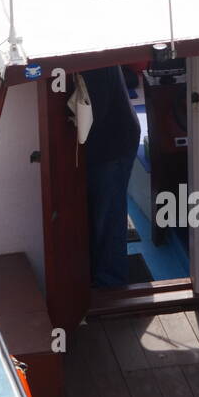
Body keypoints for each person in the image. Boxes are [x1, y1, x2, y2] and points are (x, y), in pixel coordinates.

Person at [82, 65, 140, 288]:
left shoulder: (94, 61)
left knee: (109, 217)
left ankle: (110, 285)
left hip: (113, 145)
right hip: (105, 141)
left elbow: (95, 111)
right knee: (102, 213)